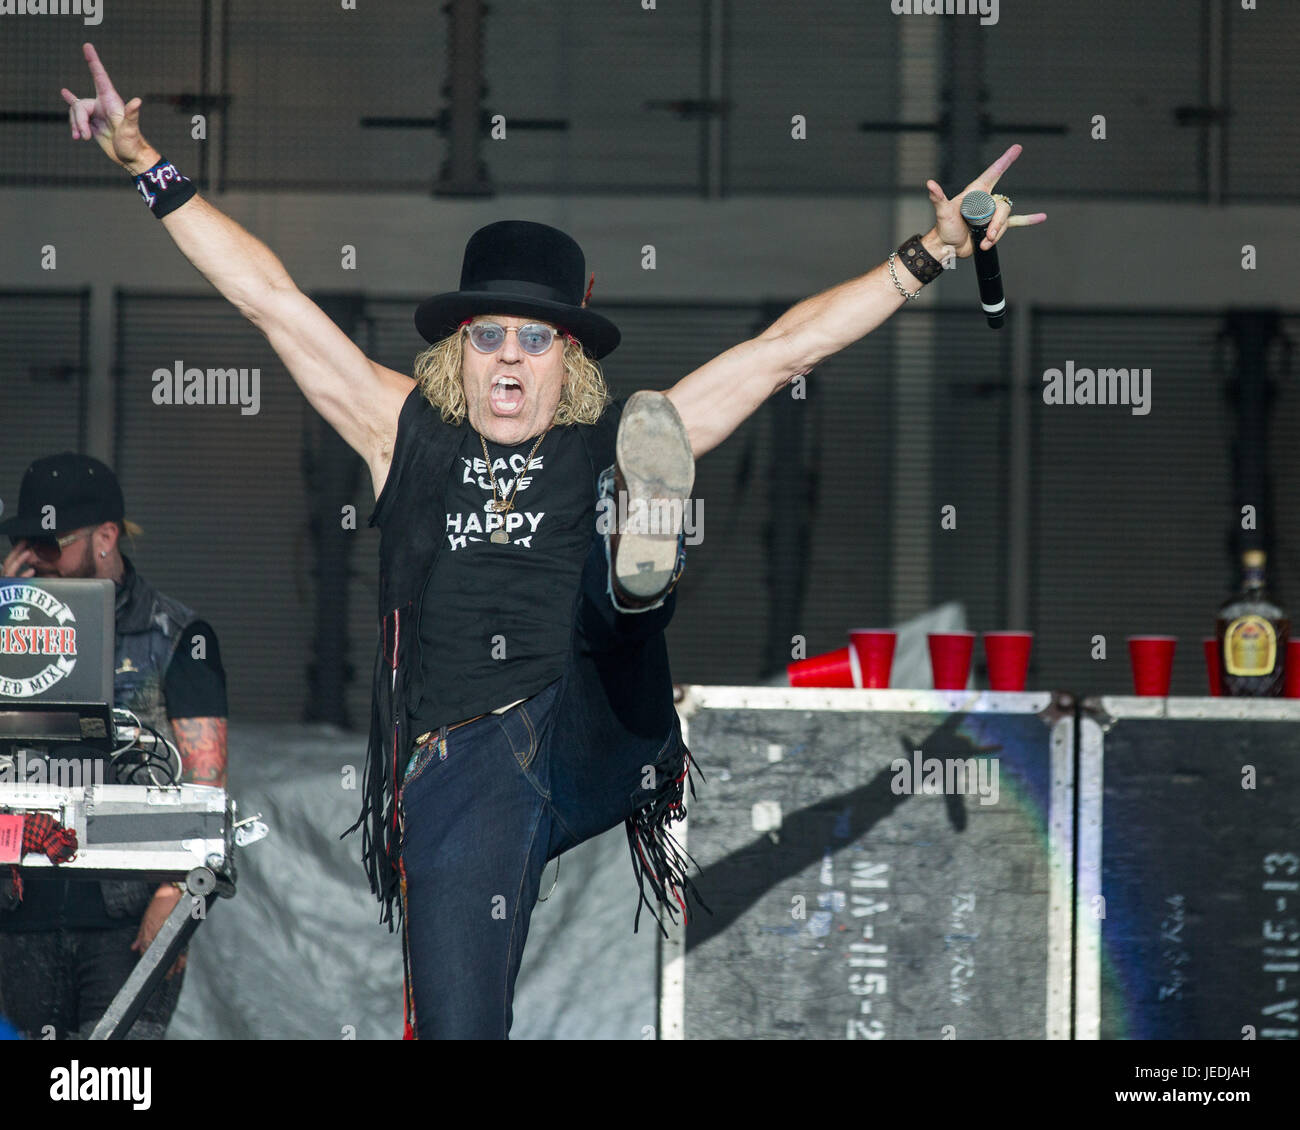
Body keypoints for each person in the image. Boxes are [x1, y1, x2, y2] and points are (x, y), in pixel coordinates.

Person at [57, 41, 1044, 1039]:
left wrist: (929, 253)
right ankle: (633, 569)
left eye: (534, 339)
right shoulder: (401, 427)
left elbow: (784, 347)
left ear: (566, 356)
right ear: (459, 352)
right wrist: (147, 161)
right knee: (459, 1022)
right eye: (488, 337)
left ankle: (634, 564)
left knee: (619, 564)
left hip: (579, 722)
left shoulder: (607, 438)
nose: (510, 362)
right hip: (460, 761)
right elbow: (270, 299)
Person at [0, 453, 229, 1039]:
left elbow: (204, 780)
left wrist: (173, 893)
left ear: (105, 538)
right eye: (25, 544)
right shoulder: (10, 623)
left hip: (124, 914)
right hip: (19, 909)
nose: (34, 558)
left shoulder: (175, 634)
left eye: (49, 544)